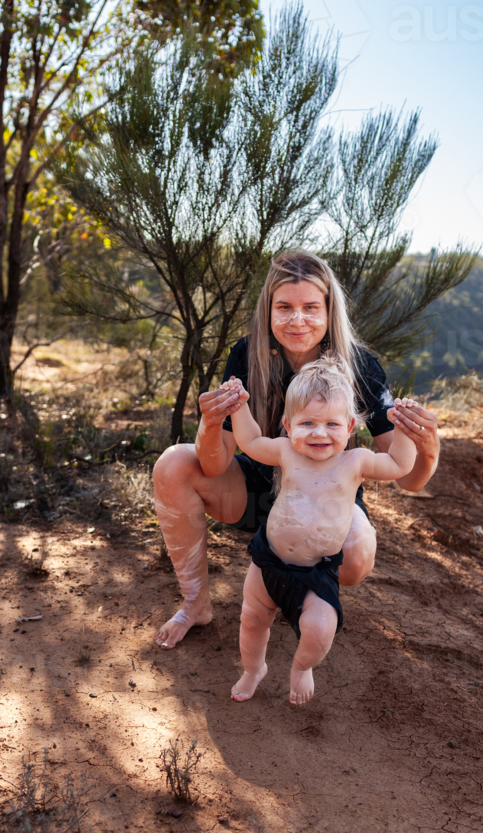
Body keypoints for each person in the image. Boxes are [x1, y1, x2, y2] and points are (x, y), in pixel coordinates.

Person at [152, 250, 440, 650]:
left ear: (328, 309)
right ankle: (195, 604)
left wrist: (428, 448)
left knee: (355, 554)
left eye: (310, 307)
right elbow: (214, 463)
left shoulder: (359, 368)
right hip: (257, 493)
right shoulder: (247, 355)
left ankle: (300, 590)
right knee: (174, 463)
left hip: (328, 500)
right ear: (268, 309)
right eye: (284, 307)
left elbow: (406, 477)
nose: (297, 320)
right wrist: (211, 422)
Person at [220, 356, 416, 704]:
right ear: (287, 424)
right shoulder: (285, 452)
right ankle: (253, 669)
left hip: (316, 572)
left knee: (320, 630)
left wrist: (404, 429)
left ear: (350, 425)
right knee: (252, 618)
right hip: (268, 561)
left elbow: (400, 465)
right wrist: (238, 406)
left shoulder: (354, 462)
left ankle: (301, 667)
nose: (319, 432)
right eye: (307, 422)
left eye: (331, 424)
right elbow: (249, 441)